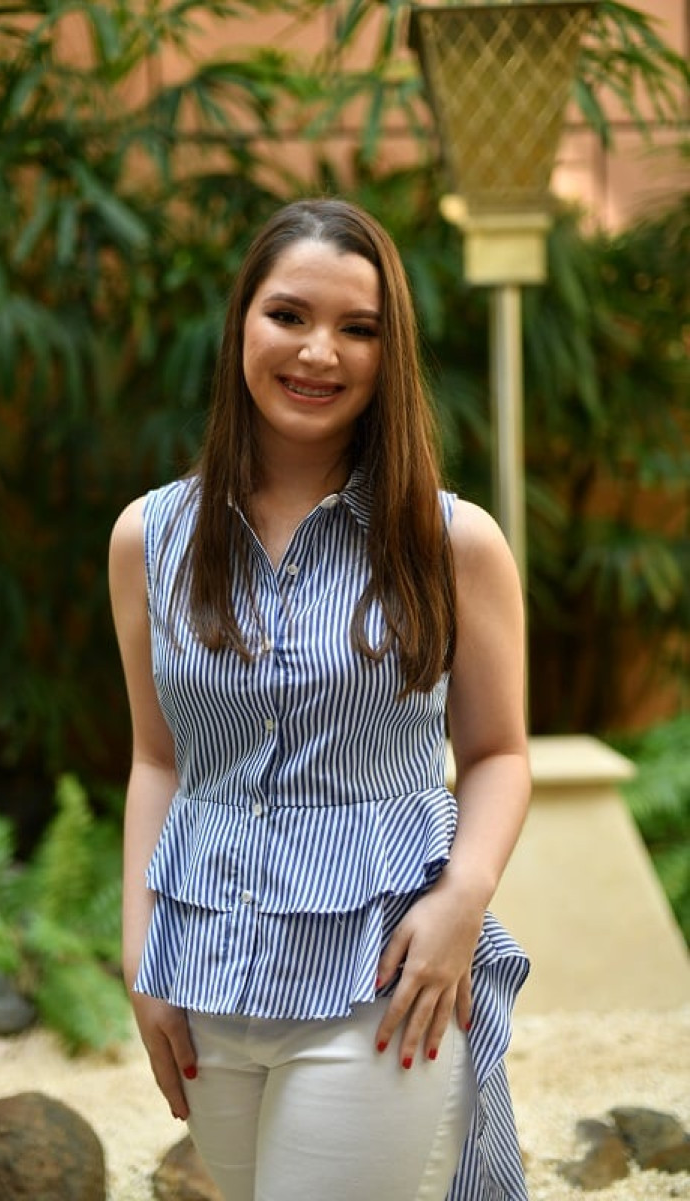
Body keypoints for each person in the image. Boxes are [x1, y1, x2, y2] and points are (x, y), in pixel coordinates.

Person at [109, 197, 531, 1201]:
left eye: (358, 328)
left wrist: (460, 903)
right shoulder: (149, 538)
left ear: (391, 354)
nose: (318, 352)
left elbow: (498, 754)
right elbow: (157, 759)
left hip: (380, 978)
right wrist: (141, 954)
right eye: (288, 315)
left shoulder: (450, 542)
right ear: (240, 327)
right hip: (207, 969)